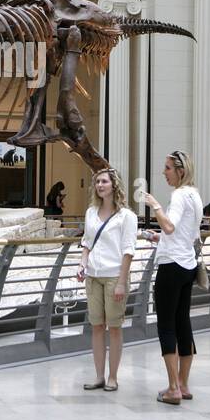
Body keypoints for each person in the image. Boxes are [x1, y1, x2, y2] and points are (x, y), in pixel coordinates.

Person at [139, 149, 202, 405]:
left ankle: (173, 388)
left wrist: (154, 205)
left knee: (166, 325)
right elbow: (184, 232)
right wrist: (158, 237)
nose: (163, 172)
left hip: (171, 265)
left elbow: (169, 226)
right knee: (183, 323)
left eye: (167, 168)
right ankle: (184, 384)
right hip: (187, 265)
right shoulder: (195, 195)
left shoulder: (178, 195)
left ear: (180, 171)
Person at [76, 168, 137, 392]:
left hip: (114, 276)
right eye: (97, 182)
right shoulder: (91, 212)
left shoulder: (127, 216)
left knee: (114, 327)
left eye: (104, 181)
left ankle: (113, 377)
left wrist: (122, 281)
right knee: (97, 326)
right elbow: (87, 242)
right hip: (93, 276)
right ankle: (99, 376)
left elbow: (128, 250)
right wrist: (82, 263)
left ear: (114, 185)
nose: (100, 185)